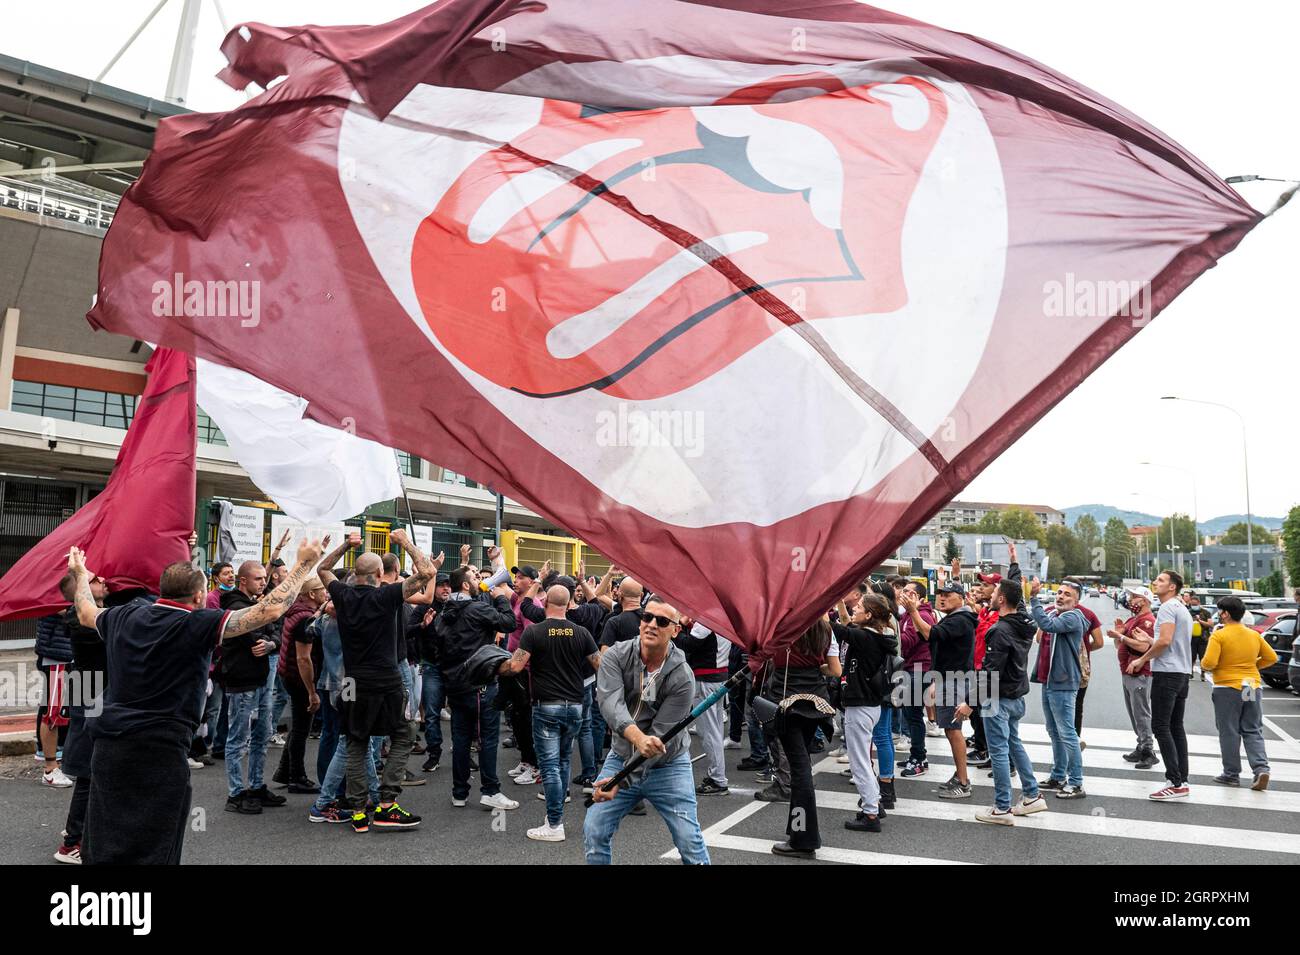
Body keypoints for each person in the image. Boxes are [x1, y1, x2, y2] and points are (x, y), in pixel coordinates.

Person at [67, 538, 322, 864]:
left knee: (104, 840)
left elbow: (86, 611)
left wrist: (78, 572)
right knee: (154, 844)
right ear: (200, 596)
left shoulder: (124, 616)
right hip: (161, 751)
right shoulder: (195, 623)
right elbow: (268, 610)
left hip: (109, 748)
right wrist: (304, 564)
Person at [318, 530, 438, 831]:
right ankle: (386, 804)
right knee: (404, 733)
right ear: (380, 573)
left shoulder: (342, 596)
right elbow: (428, 572)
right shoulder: (387, 595)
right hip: (384, 678)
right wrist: (404, 543)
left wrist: (346, 544)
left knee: (355, 740)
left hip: (350, 680)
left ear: (356, 574)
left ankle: (358, 811)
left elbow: (322, 568)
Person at [583, 596, 709, 865]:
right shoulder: (616, 655)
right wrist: (637, 740)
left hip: (668, 764)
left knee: (689, 840)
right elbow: (609, 704)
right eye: (646, 617)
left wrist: (621, 780)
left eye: (662, 621)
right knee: (594, 829)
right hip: (620, 756)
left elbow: (660, 738)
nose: (651, 624)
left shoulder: (683, 676)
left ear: (675, 630)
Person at [501, 584, 601, 841]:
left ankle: (555, 824)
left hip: (546, 705)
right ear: (569, 605)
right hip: (575, 705)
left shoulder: (534, 631)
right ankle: (554, 815)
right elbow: (600, 665)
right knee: (564, 760)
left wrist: (496, 666)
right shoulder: (582, 632)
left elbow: (516, 665)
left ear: (545, 604)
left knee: (549, 766)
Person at [435, 561, 519, 811]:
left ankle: (459, 793)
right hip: (480, 684)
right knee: (487, 739)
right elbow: (508, 623)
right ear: (465, 584)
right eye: (474, 576)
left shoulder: (446, 610)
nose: (478, 579)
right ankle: (490, 790)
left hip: (455, 685)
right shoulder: (475, 609)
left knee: (461, 738)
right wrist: (501, 597)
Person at [755, 618, 841, 860]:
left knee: (800, 770)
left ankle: (803, 838)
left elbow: (764, 654)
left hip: (786, 700)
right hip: (815, 700)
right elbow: (835, 670)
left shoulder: (782, 625)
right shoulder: (826, 628)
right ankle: (798, 832)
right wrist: (814, 669)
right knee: (801, 766)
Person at [973, 578, 1045, 825]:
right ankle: (1032, 794)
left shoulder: (1000, 630)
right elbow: (1020, 602)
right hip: (1016, 697)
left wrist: (970, 701)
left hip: (997, 698)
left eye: (994, 592)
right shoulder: (1024, 623)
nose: (990, 596)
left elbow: (990, 672)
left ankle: (1002, 808)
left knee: (999, 752)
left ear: (1002, 599)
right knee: (1014, 745)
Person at [901, 579, 978, 798]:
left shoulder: (961, 619)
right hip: (947, 679)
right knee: (949, 729)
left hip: (955, 680)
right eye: (940, 594)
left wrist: (913, 612)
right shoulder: (955, 618)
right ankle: (959, 775)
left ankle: (963, 783)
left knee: (954, 730)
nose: (941, 597)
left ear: (960, 598)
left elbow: (929, 635)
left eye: (947, 594)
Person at [219, 560, 285, 814]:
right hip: (241, 679)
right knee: (238, 737)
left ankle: (256, 786)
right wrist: (268, 641)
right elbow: (255, 634)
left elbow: (276, 629)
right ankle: (236, 793)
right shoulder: (235, 606)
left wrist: (271, 643)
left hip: (260, 677)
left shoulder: (259, 603)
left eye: (263, 578)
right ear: (243, 580)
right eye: (258, 579)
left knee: (261, 735)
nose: (263, 582)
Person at [833, 593, 898, 833]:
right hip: (870, 704)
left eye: (858, 607)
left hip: (860, 705)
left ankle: (870, 813)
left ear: (869, 615)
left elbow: (834, 628)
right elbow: (845, 623)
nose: (854, 610)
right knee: (863, 758)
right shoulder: (877, 635)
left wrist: (817, 604)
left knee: (859, 761)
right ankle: (875, 802)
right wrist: (839, 599)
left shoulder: (864, 638)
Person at [54, 572, 108, 863]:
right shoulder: (82, 621)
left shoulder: (86, 617)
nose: (105, 581)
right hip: (90, 697)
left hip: (91, 695)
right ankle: (72, 843)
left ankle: (82, 833)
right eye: (96, 579)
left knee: (95, 771)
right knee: (88, 773)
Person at [1127, 571, 1194, 801]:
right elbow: (1169, 642)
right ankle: (1182, 780)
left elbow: (1165, 642)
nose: (1155, 582)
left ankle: (1174, 781)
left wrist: (1142, 659)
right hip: (1182, 673)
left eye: (1161, 580)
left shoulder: (1166, 608)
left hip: (1167, 674)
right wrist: (1149, 642)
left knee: (1161, 726)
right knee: (1176, 728)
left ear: (1172, 587)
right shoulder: (1181, 608)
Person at [1201, 596, 1273, 790]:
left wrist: (1218, 668)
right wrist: (1253, 666)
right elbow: (1271, 657)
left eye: (1220, 611)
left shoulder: (1220, 635)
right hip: (1250, 684)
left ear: (1225, 614)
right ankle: (1261, 769)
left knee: (1229, 730)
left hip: (1227, 687)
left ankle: (1231, 774)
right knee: (1252, 728)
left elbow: (1208, 663)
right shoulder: (1253, 635)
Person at [1028, 578, 1087, 799]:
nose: (1061, 597)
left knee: (1067, 733)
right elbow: (1038, 628)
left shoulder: (1073, 617)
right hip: (1049, 680)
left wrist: (1033, 598)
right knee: (1054, 732)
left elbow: (1046, 626)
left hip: (1063, 682)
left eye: (1067, 595)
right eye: (1059, 593)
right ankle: (1058, 775)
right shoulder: (1055, 613)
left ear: (1077, 601)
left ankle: (1076, 782)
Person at [270, 576, 328, 793]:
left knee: (298, 726)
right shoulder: (305, 618)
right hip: (298, 678)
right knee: (302, 729)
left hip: (289, 674)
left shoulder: (297, 612)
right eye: (322, 590)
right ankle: (297, 777)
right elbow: (304, 659)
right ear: (312, 594)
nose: (326, 593)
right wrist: (312, 691)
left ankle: (285, 771)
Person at [675, 617, 732, 796]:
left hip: (706, 680)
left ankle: (718, 779)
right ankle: (717, 776)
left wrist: (678, 629)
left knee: (709, 731)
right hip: (717, 676)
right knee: (713, 730)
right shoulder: (722, 617)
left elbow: (689, 645)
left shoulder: (708, 619)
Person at [1109, 585, 1159, 769]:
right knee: (1134, 713)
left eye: (1135, 597)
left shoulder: (1147, 621)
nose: (1131, 600)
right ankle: (1141, 745)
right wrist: (1119, 634)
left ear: (1145, 600)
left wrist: (1121, 637)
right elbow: (1118, 646)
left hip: (1140, 673)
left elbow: (1143, 647)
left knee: (1141, 713)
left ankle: (1148, 750)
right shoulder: (1133, 620)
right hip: (1128, 671)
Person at [897, 579, 937, 778]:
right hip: (912, 668)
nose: (903, 594)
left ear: (920, 598)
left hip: (919, 669)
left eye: (909, 592)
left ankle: (919, 758)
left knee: (913, 715)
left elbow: (907, 643)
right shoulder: (908, 616)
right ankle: (918, 755)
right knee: (910, 715)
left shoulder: (922, 616)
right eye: (903, 590)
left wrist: (889, 633)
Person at [34, 607, 74, 787]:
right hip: (56, 654)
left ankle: (62, 761)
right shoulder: (52, 585)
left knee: (69, 707)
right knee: (53, 710)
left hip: (68, 652)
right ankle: (50, 768)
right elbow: (60, 608)